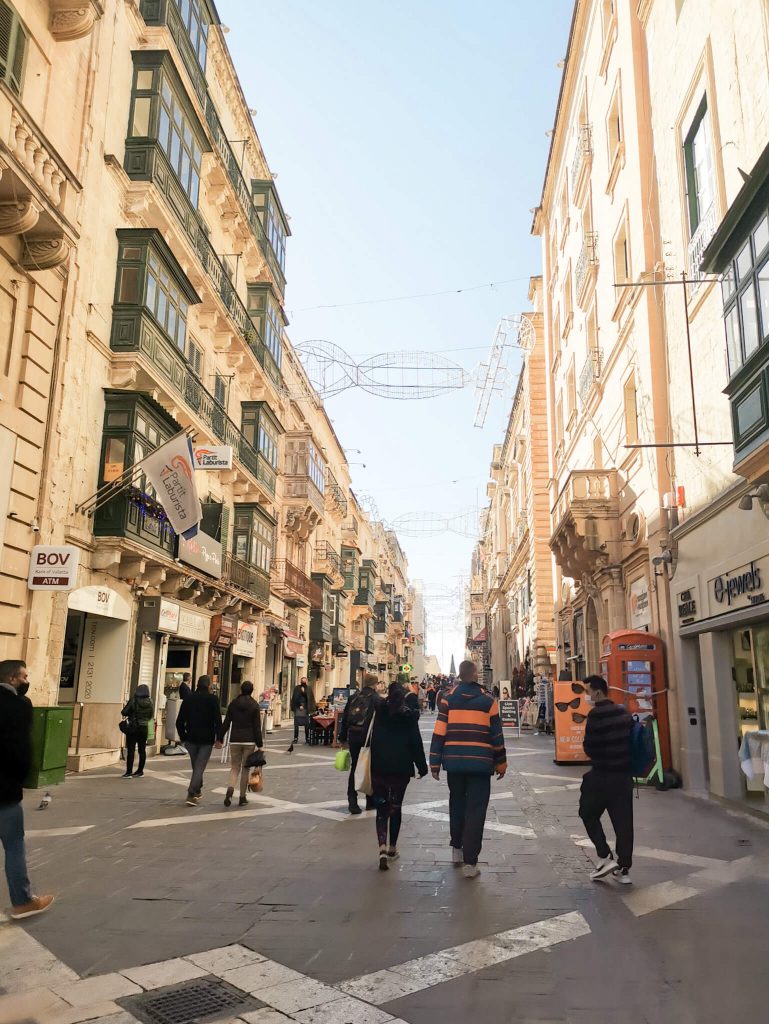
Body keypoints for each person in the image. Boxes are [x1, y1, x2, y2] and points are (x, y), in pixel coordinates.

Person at [430, 660, 507, 878]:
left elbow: (439, 732)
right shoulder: (488, 700)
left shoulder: (448, 699)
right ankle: (470, 863)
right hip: (481, 763)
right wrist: (501, 762)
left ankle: (457, 849)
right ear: (475, 675)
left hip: (454, 762)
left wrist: (435, 762)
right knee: (476, 810)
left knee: (457, 803)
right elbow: (496, 735)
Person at [0, 660, 54, 920]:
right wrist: (21, 778)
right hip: (5, 790)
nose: (26, 680)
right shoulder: (19, 706)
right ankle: (22, 901)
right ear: (12, 679)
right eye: (24, 676)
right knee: (13, 845)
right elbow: (21, 750)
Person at [579, 674, 634, 885]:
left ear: (598, 692)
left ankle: (605, 856)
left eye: (587, 691)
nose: (587, 696)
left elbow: (589, 747)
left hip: (601, 775)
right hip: (623, 776)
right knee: (623, 824)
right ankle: (624, 869)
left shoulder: (595, 716)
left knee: (587, 813)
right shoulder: (624, 713)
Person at [371, 681, 428, 870]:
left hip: (378, 767)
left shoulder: (379, 713)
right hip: (401, 769)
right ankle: (393, 848)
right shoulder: (408, 717)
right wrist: (422, 766)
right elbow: (416, 743)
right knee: (395, 807)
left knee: (381, 808)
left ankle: (381, 848)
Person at [176, 675, 221, 807]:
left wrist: (183, 737)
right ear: (208, 686)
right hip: (206, 738)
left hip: (191, 737)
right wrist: (219, 738)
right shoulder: (213, 699)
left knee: (196, 766)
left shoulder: (189, 698)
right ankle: (191, 792)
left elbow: (179, 721)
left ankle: (198, 789)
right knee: (199, 766)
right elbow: (217, 720)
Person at [218, 681, 263, 807]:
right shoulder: (254, 705)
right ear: (252, 691)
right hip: (249, 740)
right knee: (245, 769)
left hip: (235, 739)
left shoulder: (233, 704)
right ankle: (242, 797)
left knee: (234, 767)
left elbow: (226, 722)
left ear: (241, 690)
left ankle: (230, 788)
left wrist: (220, 737)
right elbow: (257, 727)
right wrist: (260, 744)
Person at [339, 673, 379, 814]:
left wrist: (342, 738)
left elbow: (344, 719)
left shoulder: (353, 697)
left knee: (355, 767)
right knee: (370, 768)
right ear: (375, 684)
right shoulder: (376, 699)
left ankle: (352, 801)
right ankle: (370, 800)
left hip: (353, 737)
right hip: (369, 738)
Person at [120, 684, 154, 778]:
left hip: (133, 727)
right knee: (142, 750)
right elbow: (151, 715)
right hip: (144, 728)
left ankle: (129, 772)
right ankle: (140, 771)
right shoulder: (150, 701)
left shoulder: (134, 700)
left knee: (131, 749)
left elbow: (124, 712)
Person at [289, 677, 316, 747]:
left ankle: (307, 738)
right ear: (300, 681)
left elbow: (310, 699)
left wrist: (304, 692)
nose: (303, 682)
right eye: (302, 681)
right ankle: (295, 738)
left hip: (306, 708)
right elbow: (295, 698)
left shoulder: (309, 689)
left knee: (306, 724)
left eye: (305, 681)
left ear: (306, 681)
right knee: (296, 724)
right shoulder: (297, 688)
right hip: (298, 708)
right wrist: (299, 705)